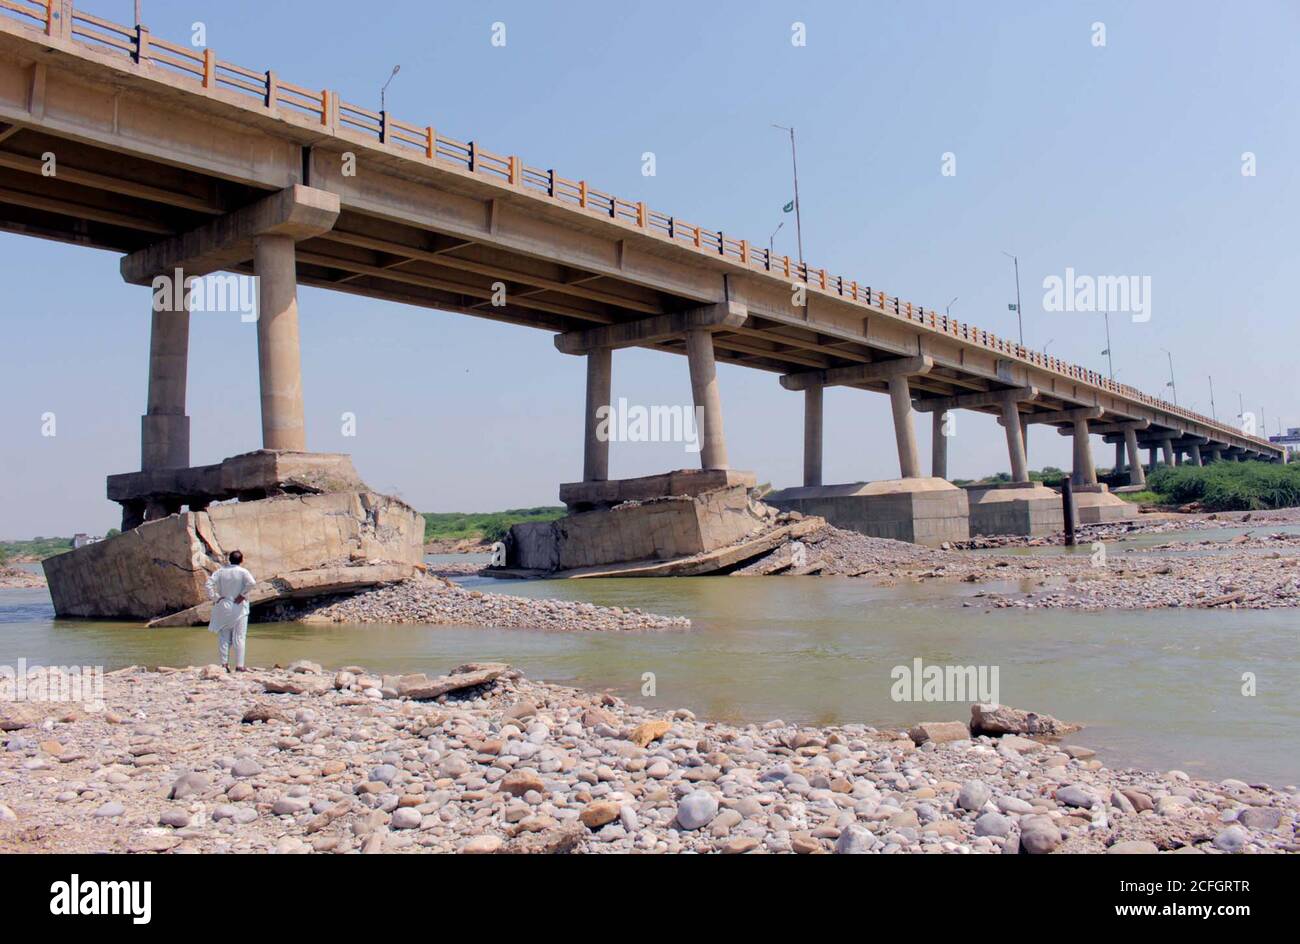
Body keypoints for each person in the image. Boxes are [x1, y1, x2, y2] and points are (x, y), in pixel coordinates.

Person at [206, 550, 256, 673]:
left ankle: (224, 664)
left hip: (224, 606)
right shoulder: (243, 572)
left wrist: (216, 597)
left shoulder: (221, 572)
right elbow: (252, 583)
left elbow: (208, 584)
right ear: (241, 560)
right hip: (239, 607)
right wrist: (243, 594)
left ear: (229, 559)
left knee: (224, 636)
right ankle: (239, 666)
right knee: (239, 637)